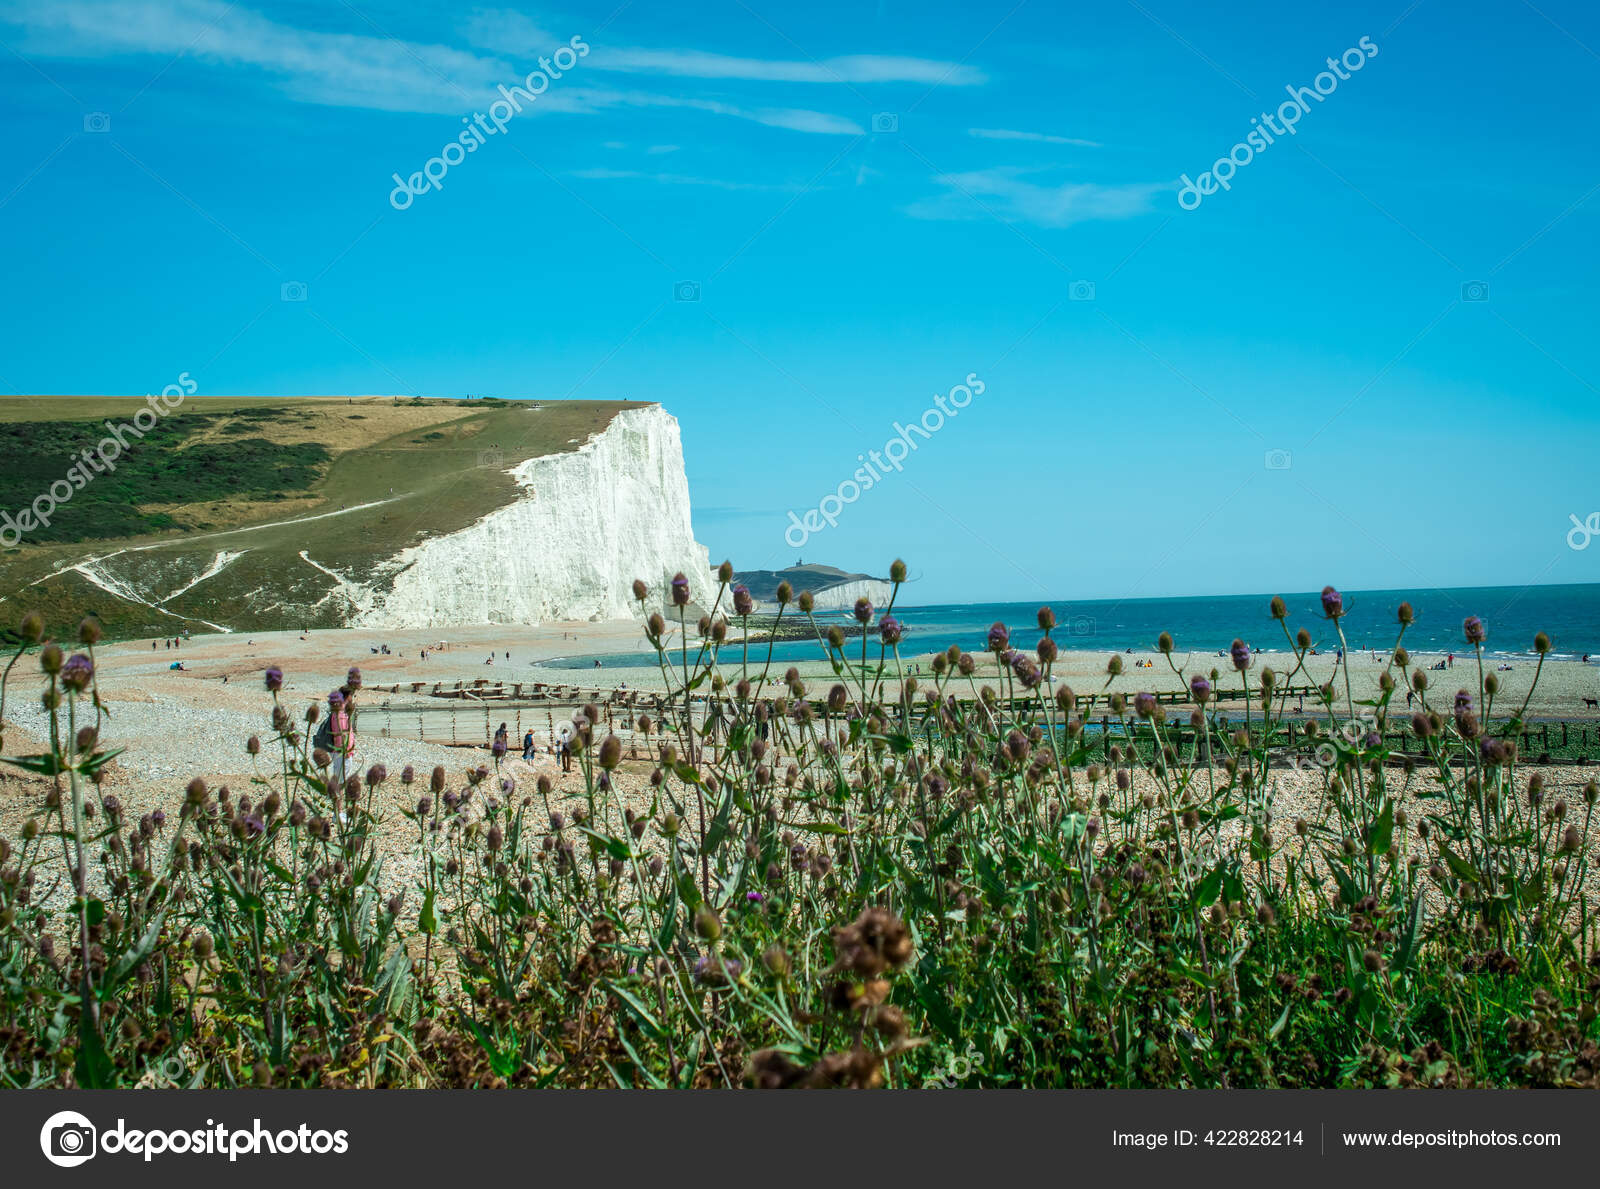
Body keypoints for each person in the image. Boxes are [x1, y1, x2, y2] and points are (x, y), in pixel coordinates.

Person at [329, 688, 357, 790]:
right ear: (347, 696)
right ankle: (336, 799)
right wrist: (345, 751)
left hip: (341, 751)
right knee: (341, 778)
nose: (352, 698)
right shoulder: (340, 713)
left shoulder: (340, 711)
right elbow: (340, 733)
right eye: (351, 695)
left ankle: (336, 798)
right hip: (342, 751)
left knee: (340, 775)